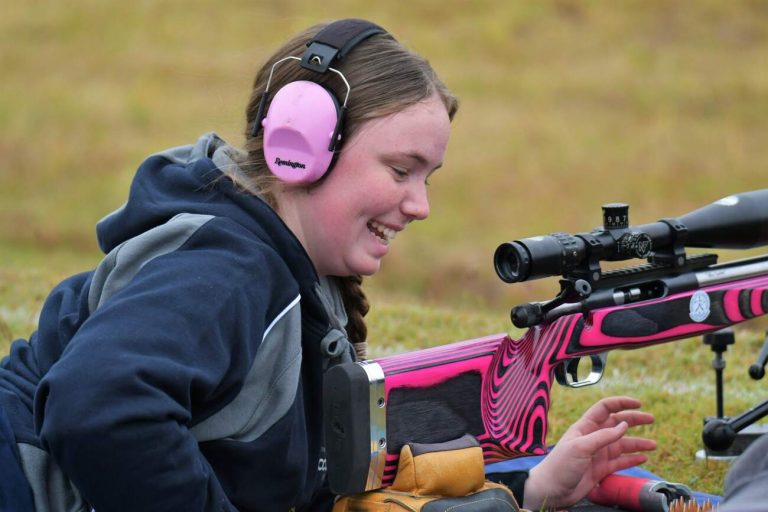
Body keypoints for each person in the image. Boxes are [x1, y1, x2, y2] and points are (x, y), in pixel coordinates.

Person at [0, 18, 655, 512]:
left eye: (428, 177)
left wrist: (532, 485)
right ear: (300, 150)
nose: (420, 205)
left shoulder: (298, 278)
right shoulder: (228, 269)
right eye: (400, 170)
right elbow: (100, 407)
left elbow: (328, 473)